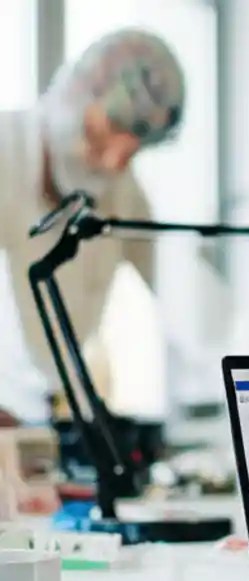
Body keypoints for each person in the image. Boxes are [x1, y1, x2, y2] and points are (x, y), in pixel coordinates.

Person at [0, 29, 184, 510]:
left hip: (51, 440)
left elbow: (189, 304)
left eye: (132, 151)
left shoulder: (121, 188)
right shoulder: (3, 151)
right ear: (69, 100)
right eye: (103, 135)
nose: (113, 162)